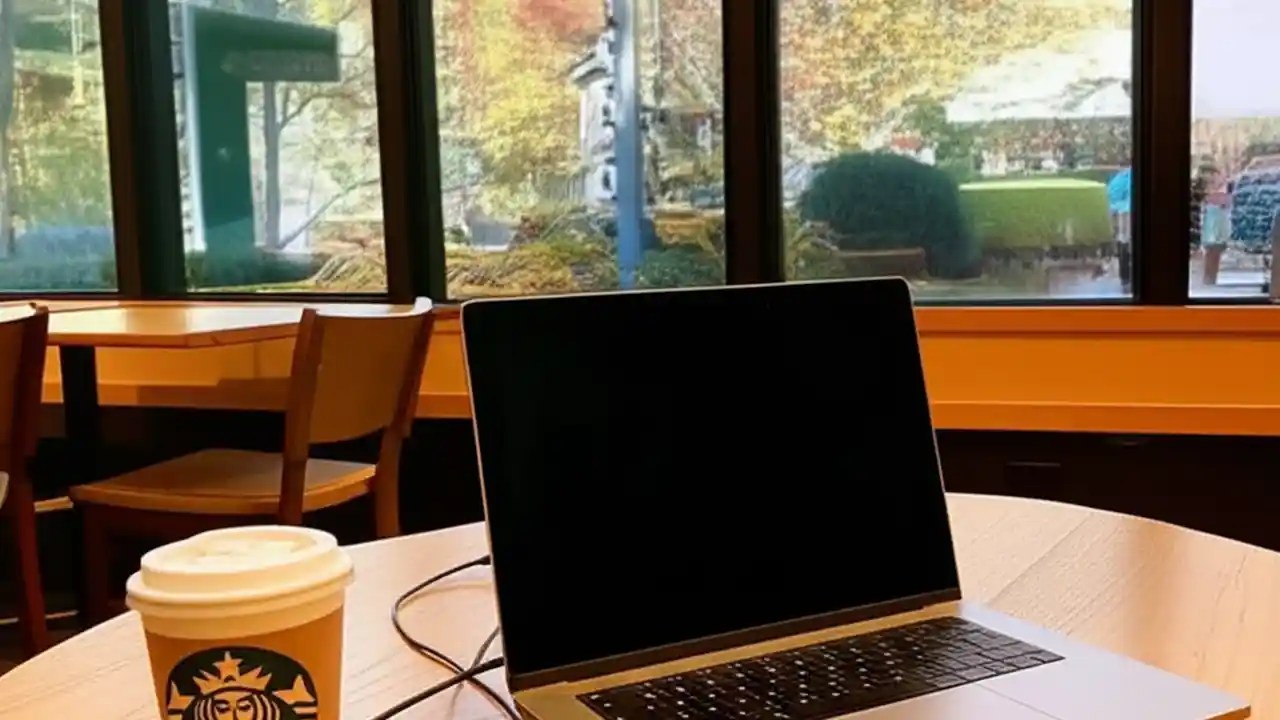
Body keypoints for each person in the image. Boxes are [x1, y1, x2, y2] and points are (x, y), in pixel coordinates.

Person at [1107, 166, 1132, 291]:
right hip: (1129, 213)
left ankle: (1125, 278)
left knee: (1124, 243)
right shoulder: (1127, 175)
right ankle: (1128, 278)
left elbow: (1112, 193)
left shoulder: (1123, 176)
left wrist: (1114, 209)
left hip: (1124, 213)